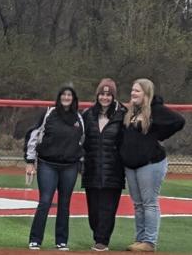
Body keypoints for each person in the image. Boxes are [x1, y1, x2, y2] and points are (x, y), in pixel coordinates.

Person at [121, 79, 185, 252]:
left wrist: (160, 135)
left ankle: (149, 241)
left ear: (146, 93)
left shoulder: (155, 110)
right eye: (133, 90)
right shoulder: (131, 111)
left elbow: (178, 121)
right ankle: (140, 239)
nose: (133, 93)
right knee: (138, 204)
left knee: (149, 203)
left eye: (138, 91)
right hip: (132, 165)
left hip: (151, 164)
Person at [24, 84, 84, 251]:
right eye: (63, 94)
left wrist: (81, 160)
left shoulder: (79, 118)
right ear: (59, 97)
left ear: (73, 98)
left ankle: (61, 241)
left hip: (70, 166)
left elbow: (83, 141)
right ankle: (35, 239)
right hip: (47, 164)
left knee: (65, 203)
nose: (66, 97)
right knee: (45, 201)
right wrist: (30, 161)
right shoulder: (49, 114)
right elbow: (34, 135)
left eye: (69, 95)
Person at [81, 79, 126, 252]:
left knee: (107, 208)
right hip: (91, 169)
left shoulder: (123, 115)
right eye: (102, 94)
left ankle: (102, 241)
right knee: (93, 211)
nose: (105, 97)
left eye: (109, 94)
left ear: (113, 96)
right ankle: (98, 235)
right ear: (97, 95)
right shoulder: (87, 114)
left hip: (113, 170)